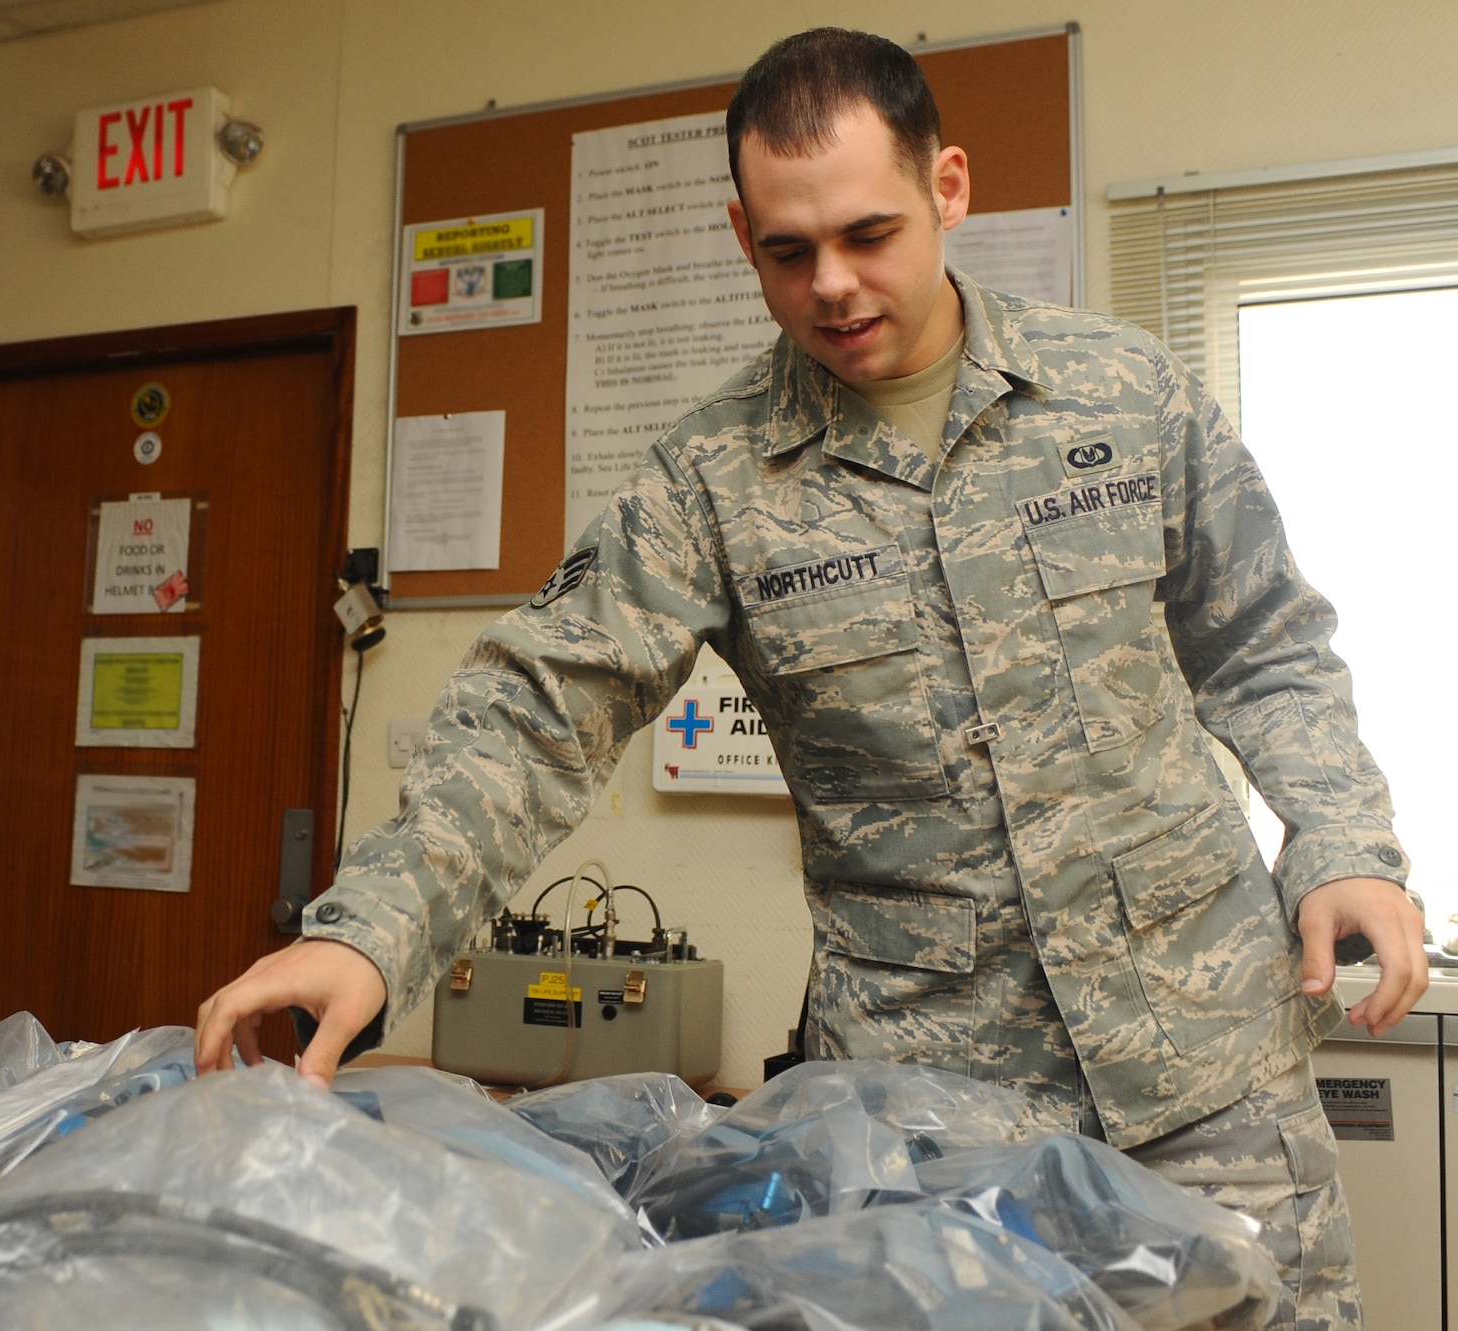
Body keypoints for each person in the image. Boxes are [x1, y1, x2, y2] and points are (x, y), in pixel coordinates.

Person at [198, 27, 1426, 1326]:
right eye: (789, 252)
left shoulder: (1125, 392)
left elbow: (1268, 645)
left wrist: (1344, 843)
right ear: (743, 235)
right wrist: (369, 934)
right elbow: (533, 709)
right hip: (936, 1124)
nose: (833, 285)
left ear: (948, 188)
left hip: (1211, 1076)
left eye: (869, 234)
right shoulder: (709, 481)